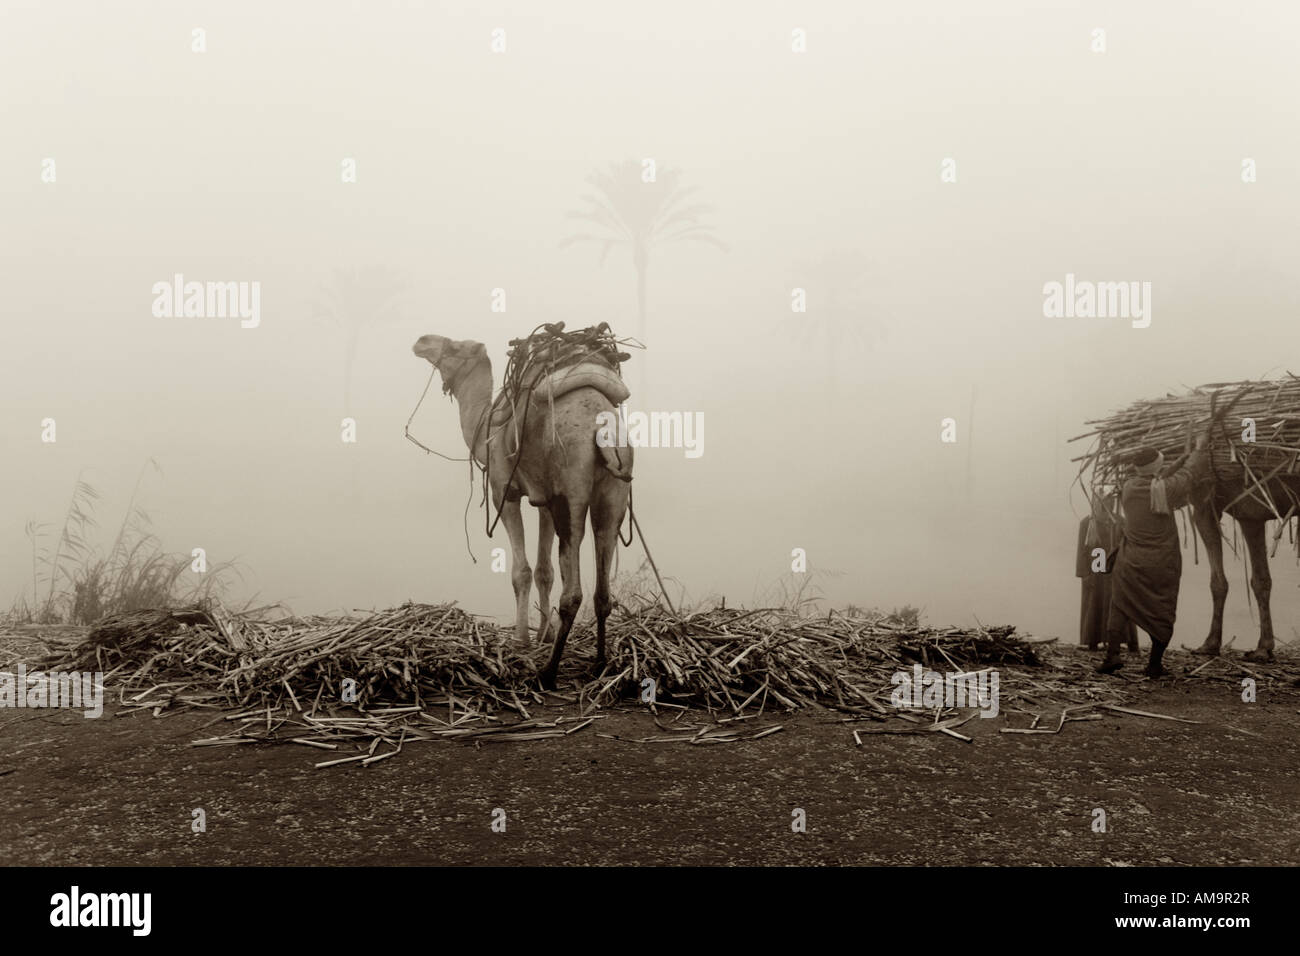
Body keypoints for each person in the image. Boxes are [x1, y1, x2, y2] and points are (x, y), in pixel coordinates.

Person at [1097, 436, 1209, 678]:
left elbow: (1158, 479)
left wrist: (1177, 460)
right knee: (1162, 610)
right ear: (1156, 468)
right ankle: (1154, 664)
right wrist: (1198, 449)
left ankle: (1112, 655)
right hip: (1160, 562)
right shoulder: (1166, 489)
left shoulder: (1129, 487)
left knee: (1120, 604)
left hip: (1129, 561)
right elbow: (1188, 475)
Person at [1076, 489, 1137, 652]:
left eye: (1110, 500)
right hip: (1095, 570)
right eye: (1102, 501)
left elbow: (1128, 547)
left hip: (1116, 569)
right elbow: (1082, 550)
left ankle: (1126, 641)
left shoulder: (1120, 522)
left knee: (1119, 602)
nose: (1106, 504)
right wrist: (1083, 573)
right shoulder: (1088, 523)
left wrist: (1129, 570)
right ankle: (1092, 641)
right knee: (1094, 603)